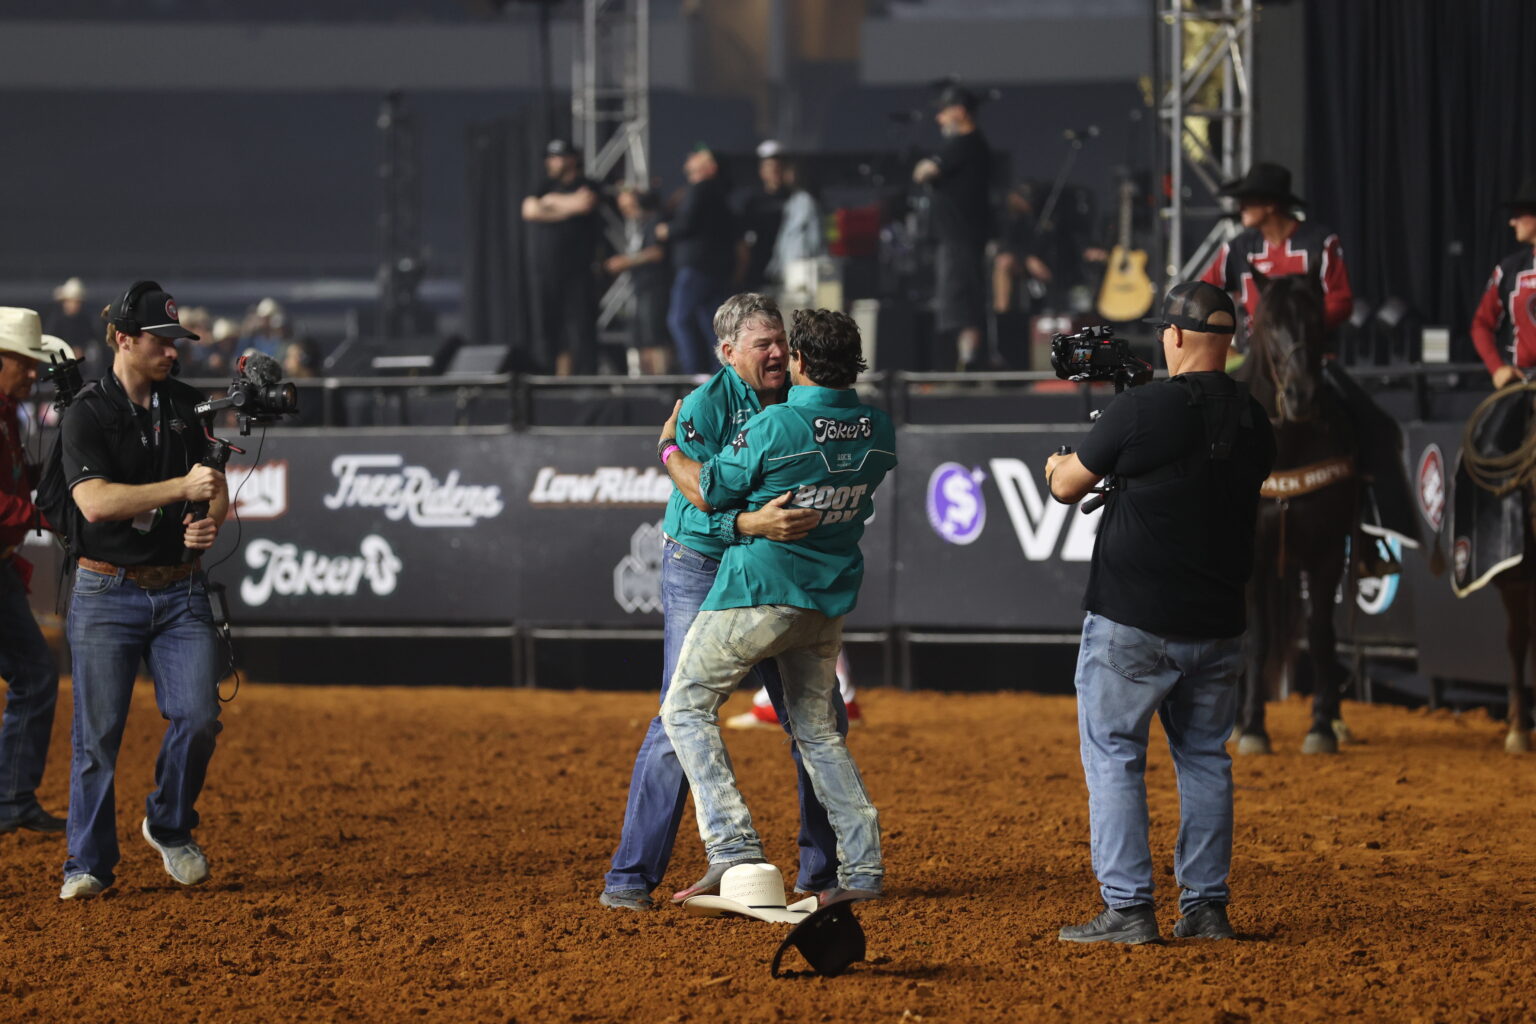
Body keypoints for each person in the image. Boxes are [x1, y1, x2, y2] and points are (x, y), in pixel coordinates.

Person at [600, 294, 847, 912]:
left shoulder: (801, 395)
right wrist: (751, 525)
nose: (775, 352)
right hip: (704, 564)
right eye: (761, 344)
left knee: (819, 721)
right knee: (678, 717)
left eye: (779, 342)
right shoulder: (707, 407)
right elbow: (694, 510)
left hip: (767, 569)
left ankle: (820, 874)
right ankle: (630, 878)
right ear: (727, 352)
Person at [1044, 282, 1275, 944]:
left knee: (1115, 753)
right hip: (1220, 625)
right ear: (1227, 343)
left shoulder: (1143, 411)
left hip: (1133, 622)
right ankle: (1205, 907)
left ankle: (1129, 908)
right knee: (1206, 757)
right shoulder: (1257, 421)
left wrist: (1064, 460)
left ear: (1173, 336)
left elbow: (1066, 486)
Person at [657, 307, 896, 904]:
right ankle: (862, 870)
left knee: (684, 708)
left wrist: (667, 447)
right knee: (818, 733)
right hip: (826, 602)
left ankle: (732, 847)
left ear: (800, 362)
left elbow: (707, 489)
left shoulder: (775, 426)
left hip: (758, 593)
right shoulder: (879, 426)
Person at [56, 281, 228, 900]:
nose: (173, 353)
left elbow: (213, 484)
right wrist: (182, 489)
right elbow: (94, 503)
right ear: (125, 341)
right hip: (106, 590)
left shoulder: (186, 405)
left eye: (175, 342)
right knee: (96, 739)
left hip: (179, 588)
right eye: (162, 341)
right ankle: (88, 864)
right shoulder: (86, 412)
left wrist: (211, 516)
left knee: (200, 717)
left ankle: (169, 823)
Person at [0, 307, 66, 837]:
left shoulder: (7, 414)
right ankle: (12, 798)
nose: (32, 372)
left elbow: (16, 481)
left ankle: (13, 799)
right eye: (24, 362)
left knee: (33, 673)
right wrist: (46, 514)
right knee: (34, 674)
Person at [1199, 162, 1353, 335]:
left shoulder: (1319, 243)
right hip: (1253, 354)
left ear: (1270, 204)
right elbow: (1201, 294)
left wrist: (1302, 326)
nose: (1241, 207)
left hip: (1307, 352)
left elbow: (1341, 301)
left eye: (1248, 200)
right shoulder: (1237, 248)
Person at [913, 84, 993, 370]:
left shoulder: (965, 144)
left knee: (963, 300)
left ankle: (969, 361)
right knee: (956, 300)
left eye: (944, 112)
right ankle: (964, 360)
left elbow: (925, 171)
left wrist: (925, 166)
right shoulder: (967, 145)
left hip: (961, 237)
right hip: (955, 237)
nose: (939, 119)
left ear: (959, 111)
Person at [522, 139, 602, 376]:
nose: (551, 162)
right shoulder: (544, 184)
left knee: (581, 327)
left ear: (571, 159)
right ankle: (548, 377)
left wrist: (549, 203)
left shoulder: (586, 184)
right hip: (546, 269)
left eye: (557, 157)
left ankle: (586, 379)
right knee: (548, 328)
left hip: (578, 269)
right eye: (550, 157)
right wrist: (565, 204)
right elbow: (529, 210)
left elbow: (584, 204)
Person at [661, 145, 736, 376]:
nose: (690, 157)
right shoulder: (720, 193)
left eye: (698, 156)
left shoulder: (701, 189)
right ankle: (719, 372)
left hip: (696, 267)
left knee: (679, 319)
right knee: (711, 323)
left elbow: (686, 224)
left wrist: (666, 230)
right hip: (714, 268)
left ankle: (693, 373)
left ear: (710, 167)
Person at [1471, 175, 1536, 388]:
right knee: (1491, 421)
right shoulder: (1510, 270)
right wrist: (1497, 368)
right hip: (1524, 384)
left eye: (1519, 214)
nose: (1512, 222)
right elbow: (1481, 324)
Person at [605, 187, 672, 375]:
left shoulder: (656, 221)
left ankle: (661, 380)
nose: (627, 211)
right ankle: (646, 380)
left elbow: (657, 252)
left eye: (629, 206)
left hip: (655, 286)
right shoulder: (642, 225)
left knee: (654, 335)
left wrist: (626, 261)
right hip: (642, 287)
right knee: (641, 336)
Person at [764, 156, 826, 308]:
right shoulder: (793, 200)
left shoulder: (804, 200)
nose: (785, 176)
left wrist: (811, 257)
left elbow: (812, 236)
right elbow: (784, 238)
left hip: (801, 263)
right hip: (791, 263)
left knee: (800, 307)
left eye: (788, 172)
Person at [737, 140, 789, 293]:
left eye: (779, 168)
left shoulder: (795, 199)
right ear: (762, 171)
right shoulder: (753, 201)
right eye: (771, 168)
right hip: (759, 266)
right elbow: (744, 240)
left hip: (789, 265)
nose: (775, 173)